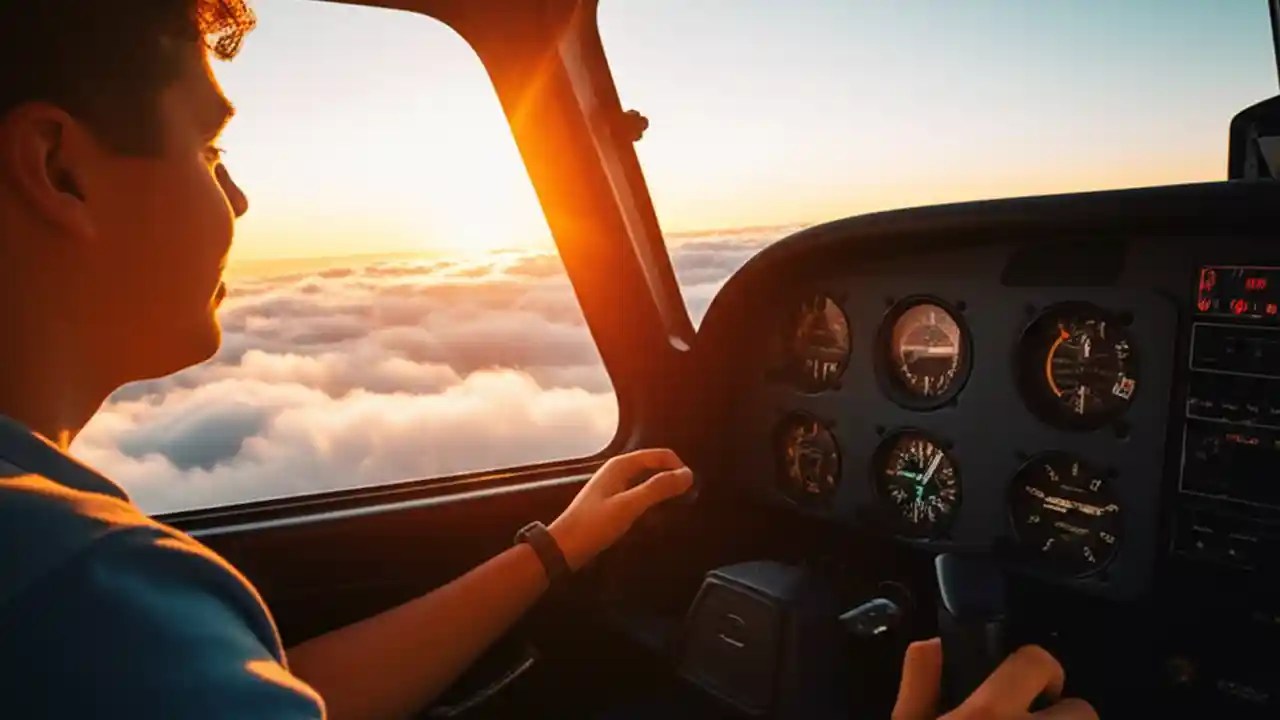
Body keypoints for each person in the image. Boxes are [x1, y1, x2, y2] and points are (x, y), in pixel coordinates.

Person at [0, 2, 1095, 718]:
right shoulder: (72, 593)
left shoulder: (101, 612)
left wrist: (552, 552)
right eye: (209, 149)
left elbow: (280, 696)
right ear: (61, 169)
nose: (237, 198)